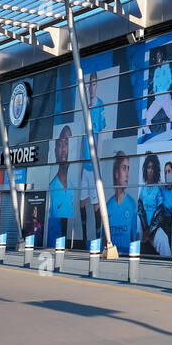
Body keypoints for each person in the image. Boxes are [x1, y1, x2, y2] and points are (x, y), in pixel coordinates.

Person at [76, 72, 106, 244]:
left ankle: (96, 237)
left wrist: (98, 164)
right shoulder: (85, 106)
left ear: (97, 86)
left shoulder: (99, 105)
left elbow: (100, 134)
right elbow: (81, 138)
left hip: (93, 165)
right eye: (90, 84)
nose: (91, 87)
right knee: (82, 201)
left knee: (95, 202)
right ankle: (85, 238)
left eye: (94, 84)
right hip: (84, 164)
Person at [136, 152, 171, 257]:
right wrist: (145, 229)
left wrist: (150, 231)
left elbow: (160, 213)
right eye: (148, 168)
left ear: (156, 170)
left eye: (152, 168)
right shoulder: (143, 188)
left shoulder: (158, 188)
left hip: (154, 228)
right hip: (144, 228)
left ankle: (168, 265)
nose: (150, 171)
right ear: (145, 170)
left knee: (163, 239)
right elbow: (140, 210)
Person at [48, 125, 74, 246]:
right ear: (55, 151)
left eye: (67, 144)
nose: (63, 149)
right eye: (60, 144)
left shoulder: (74, 189)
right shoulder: (50, 189)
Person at [105, 151, 136, 251]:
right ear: (116, 173)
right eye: (124, 168)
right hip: (111, 258)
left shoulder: (132, 204)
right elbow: (103, 239)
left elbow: (134, 239)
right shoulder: (108, 206)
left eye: (128, 168)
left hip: (127, 259)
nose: (127, 173)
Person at [144, 47, 172, 131]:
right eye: (157, 56)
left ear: (162, 55)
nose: (158, 57)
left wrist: (164, 91)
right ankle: (148, 133)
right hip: (158, 99)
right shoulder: (156, 71)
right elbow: (154, 84)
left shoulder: (166, 66)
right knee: (147, 117)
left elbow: (170, 80)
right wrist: (156, 93)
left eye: (159, 55)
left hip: (165, 97)